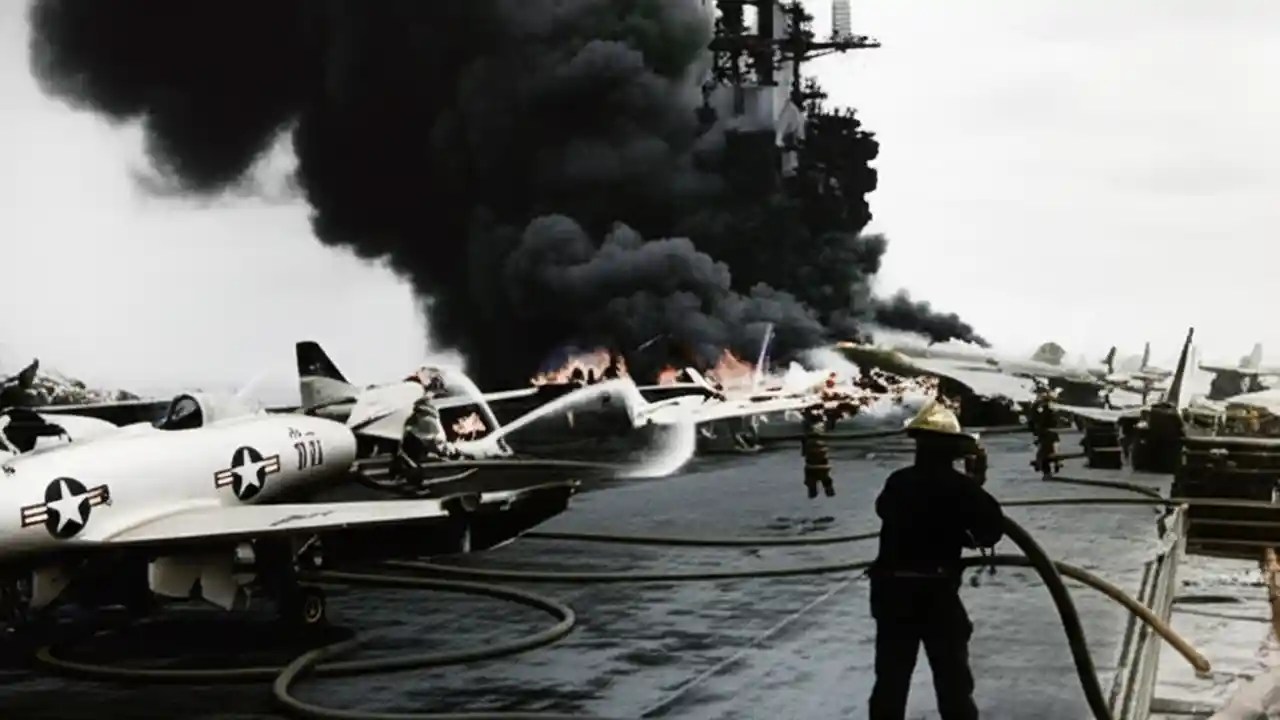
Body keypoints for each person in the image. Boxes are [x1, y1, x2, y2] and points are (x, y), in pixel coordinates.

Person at [868, 400, 1005, 720]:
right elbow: (990, 531)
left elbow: (885, 510)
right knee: (953, 678)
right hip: (935, 593)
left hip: (891, 592)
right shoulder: (961, 488)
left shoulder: (898, 481)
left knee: (890, 678)